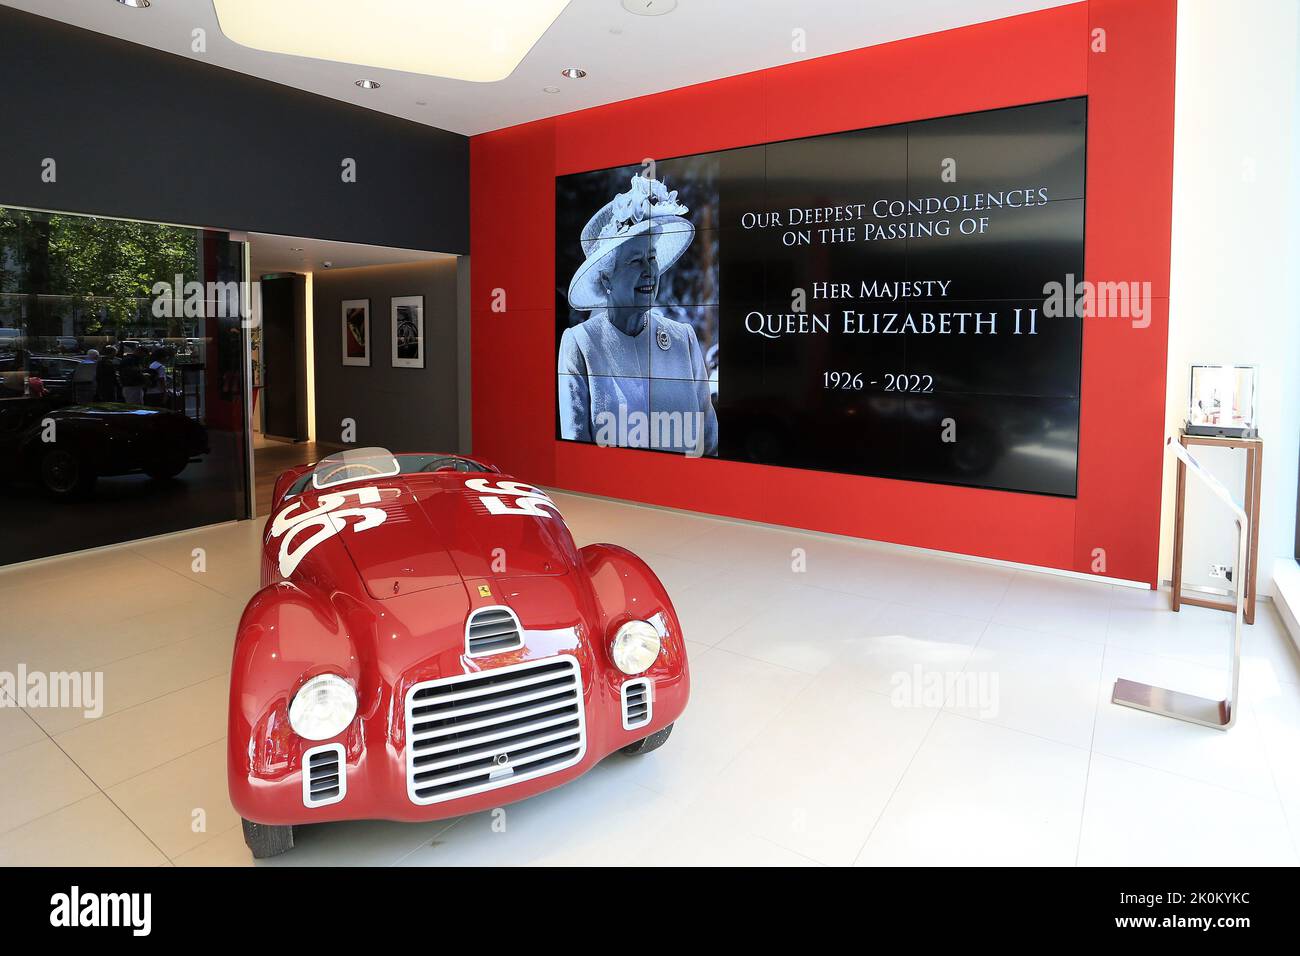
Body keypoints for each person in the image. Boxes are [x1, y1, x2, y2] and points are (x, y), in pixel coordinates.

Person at [557, 174, 718, 456]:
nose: (649, 270)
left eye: (652, 258)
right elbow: (576, 456)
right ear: (606, 278)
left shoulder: (684, 339)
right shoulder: (581, 344)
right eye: (635, 261)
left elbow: (710, 444)